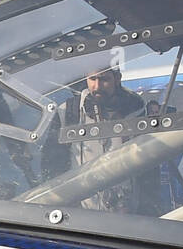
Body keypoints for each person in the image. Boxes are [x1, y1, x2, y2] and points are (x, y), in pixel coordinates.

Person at [41, 64, 162, 215]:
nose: (97, 86)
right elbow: (51, 165)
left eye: (104, 79)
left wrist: (147, 211)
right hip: (79, 214)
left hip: (127, 213)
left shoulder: (136, 112)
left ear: (117, 79)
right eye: (92, 79)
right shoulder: (68, 112)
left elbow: (149, 167)